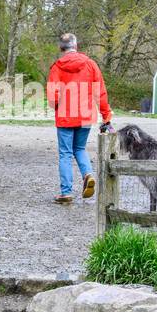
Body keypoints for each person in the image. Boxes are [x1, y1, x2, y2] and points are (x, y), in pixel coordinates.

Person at [47, 32, 112, 206]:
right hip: (85, 115)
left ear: (61, 48)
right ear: (76, 46)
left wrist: (56, 105)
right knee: (80, 148)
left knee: (65, 153)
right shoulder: (91, 65)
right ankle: (88, 174)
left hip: (65, 117)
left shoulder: (57, 67)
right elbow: (100, 92)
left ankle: (66, 192)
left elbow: (52, 98)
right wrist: (106, 116)